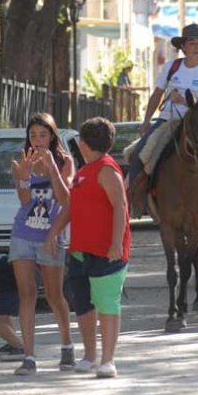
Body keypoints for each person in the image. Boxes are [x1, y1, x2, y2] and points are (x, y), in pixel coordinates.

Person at [126, 24, 198, 220]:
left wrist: (183, 100)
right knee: (140, 152)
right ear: (183, 47)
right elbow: (157, 94)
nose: (196, 47)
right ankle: (134, 199)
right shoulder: (171, 67)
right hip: (167, 120)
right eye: (192, 43)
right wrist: (147, 120)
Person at [45, 117, 131, 378]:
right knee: (83, 303)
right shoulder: (85, 171)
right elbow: (72, 206)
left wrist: (116, 243)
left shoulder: (107, 170)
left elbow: (120, 206)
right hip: (81, 250)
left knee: (107, 303)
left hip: (107, 251)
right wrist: (54, 232)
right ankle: (90, 355)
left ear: (83, 143)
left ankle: (108, 360)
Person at [7, 113, 76, 376]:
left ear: (52, 136)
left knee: (54, 295)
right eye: (33, 135)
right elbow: (25, 201)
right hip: (24, 234)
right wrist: (24, 177)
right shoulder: (22, 162)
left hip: (51, 236)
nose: (37, 140)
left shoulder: (65, 162)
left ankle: (67, 345)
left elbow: (65, 199)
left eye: (43, 135)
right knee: (27, 294)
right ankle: (29, 356)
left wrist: (53, 169)